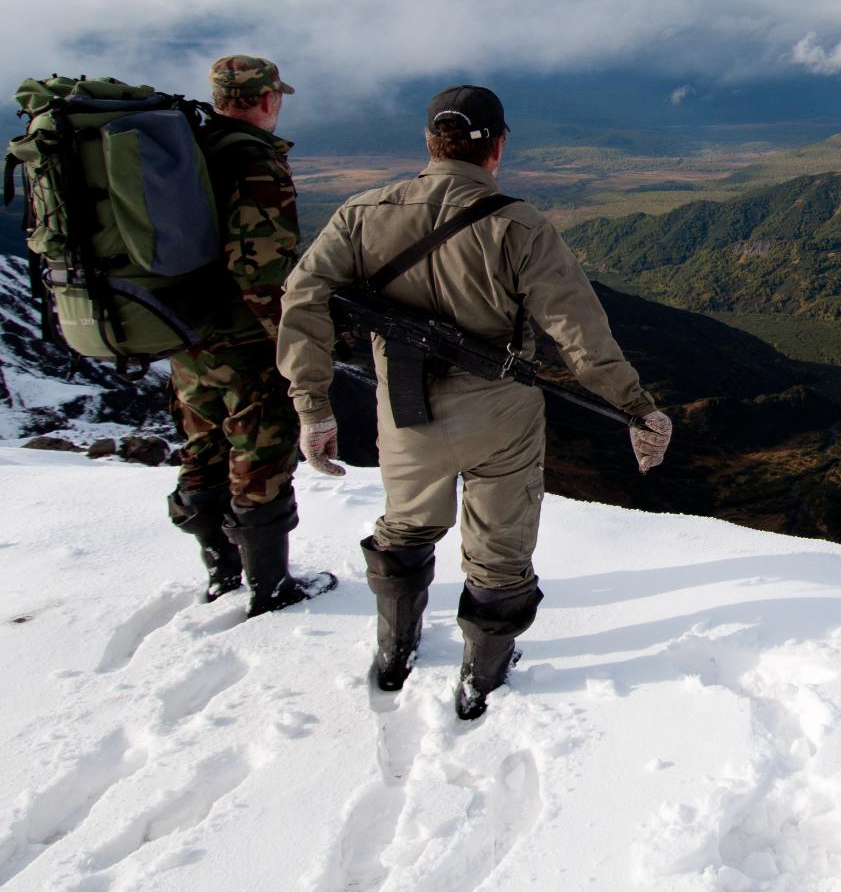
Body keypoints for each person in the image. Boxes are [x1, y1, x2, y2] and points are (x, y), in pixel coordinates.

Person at [277, 84, 671, 720]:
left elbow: (302, 302)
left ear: (430, 142)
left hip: (404, 410)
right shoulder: (518, 225)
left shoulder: (360, 213)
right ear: (499, 145)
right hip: (501, 414)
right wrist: (637, 406)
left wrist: (312, 406)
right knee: (499, 548)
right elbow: (580, 335)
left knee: (404, 528)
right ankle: (481, 676)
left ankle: (393, 652)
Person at [166, 55, 336, 616]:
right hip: (243, 344)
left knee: (202, 447)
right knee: (260, 457)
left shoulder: (186, 153)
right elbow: (260, 271)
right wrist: (290, 346)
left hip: (186, 338)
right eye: (277, 97)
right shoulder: (254, 163)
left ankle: (220, 569)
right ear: (266, 100)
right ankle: (270, 587)